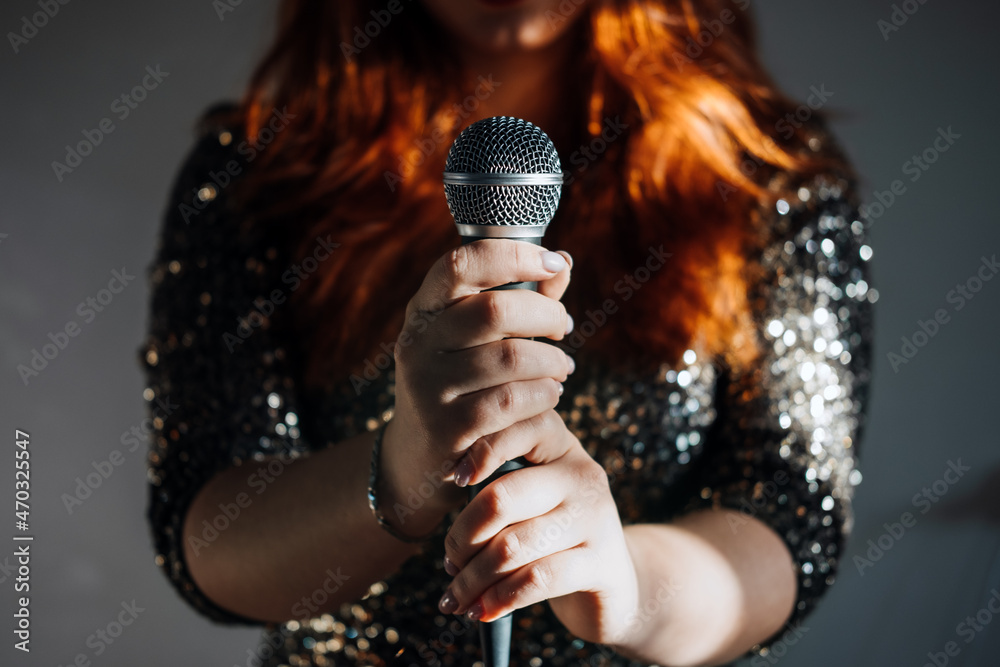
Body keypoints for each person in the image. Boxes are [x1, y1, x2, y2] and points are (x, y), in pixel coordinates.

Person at [141, 1, 875, 665]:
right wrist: (402, 468)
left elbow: (788, 512)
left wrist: (623, 580)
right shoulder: (253, 179)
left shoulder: (767, 177)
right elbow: (209, 530)